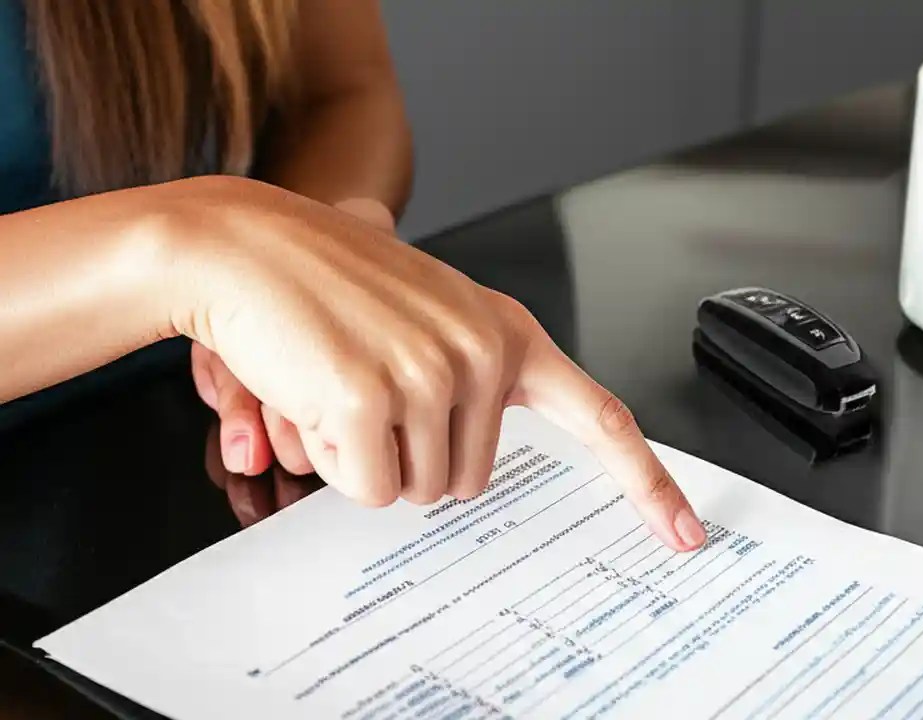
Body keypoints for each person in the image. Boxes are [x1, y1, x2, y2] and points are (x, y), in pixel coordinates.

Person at [0, 0, 705, 552]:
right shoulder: (205, 249)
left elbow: (342, 93)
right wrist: (204, 251)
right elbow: (212, 246)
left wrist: (313, 267)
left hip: (186, 436)